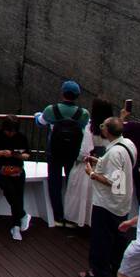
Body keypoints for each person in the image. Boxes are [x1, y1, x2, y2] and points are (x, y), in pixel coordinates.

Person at [79, 118, 138, 277]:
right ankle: (116, 267)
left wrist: (91, 173)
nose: (101, 127)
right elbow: (121, 169)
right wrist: (100, 162)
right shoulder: (128, 144)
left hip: (107, 203)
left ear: (107, 132)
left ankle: (98, 271)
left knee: (101, 238)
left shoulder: (113, 153)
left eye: (103, 125)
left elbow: (114, 182)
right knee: (119, 237)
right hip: (123, 201)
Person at [37, 80, 90, 226]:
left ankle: (58, 217)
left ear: (62, 93)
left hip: (53, 152)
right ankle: (71, 216)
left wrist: (37, 115)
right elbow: (87, 130)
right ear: (77, 95)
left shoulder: (51, 110)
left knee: (54, 183)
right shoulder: (83, 114)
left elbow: (40, 122)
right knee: (72, 183)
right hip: (73, 153)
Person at [0, 115, 33, 241]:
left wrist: (18, 155)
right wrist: (2, 152)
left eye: (13, 131)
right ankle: (22, 215)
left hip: (17, 170)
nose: (10, 134)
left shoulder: (21, 137)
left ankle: (16, 226)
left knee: (17, 195)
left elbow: (27, 154)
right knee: (10, 191)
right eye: (8, 131)